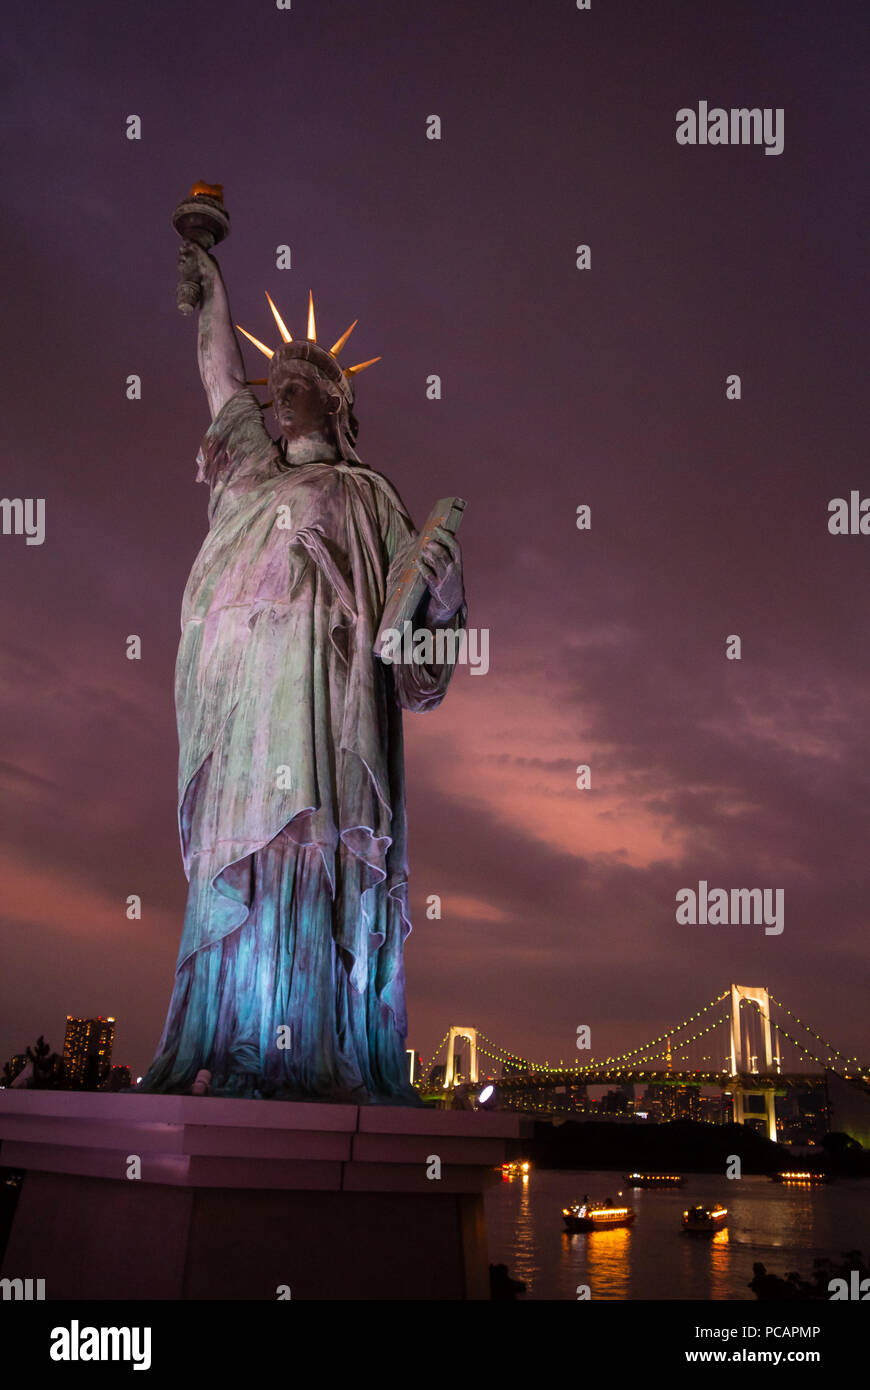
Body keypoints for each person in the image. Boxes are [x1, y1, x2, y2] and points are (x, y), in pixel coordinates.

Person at [140, 241, 465, 1103]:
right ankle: (230, 1043)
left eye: (295, 384)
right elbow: (220, 380)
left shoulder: (368, 497)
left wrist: (442, 589)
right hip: (243, 712)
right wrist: (212, 288)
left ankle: (308, 1051)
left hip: (324, 714)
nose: (276, 396)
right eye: (273, 386)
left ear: (337, 398)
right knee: (245, 859)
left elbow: (417, 660)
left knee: (307, 854)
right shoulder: (248, 474)